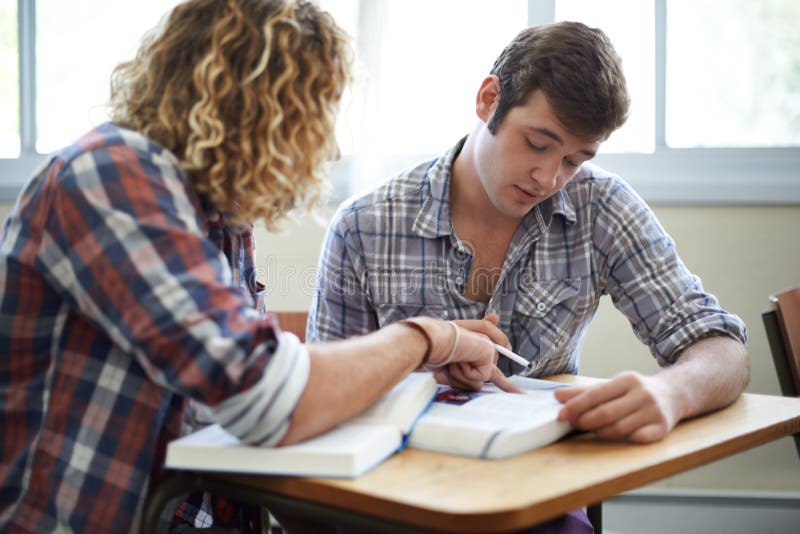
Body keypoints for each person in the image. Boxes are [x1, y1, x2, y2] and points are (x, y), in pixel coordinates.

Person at [0, 1, 519, 532]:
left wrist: (416, 368)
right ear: (255, 108)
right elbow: (272, 397)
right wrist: (429, 337)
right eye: (319, 116)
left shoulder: (217, 218)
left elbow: (248, 398)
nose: (333, 149)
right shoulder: (110, 178)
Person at [309, 20, 749, 532]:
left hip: (540, 506)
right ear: (488, 98)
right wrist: (418, 362)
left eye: (575, 159)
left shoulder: (600, 208)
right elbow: (320, 404)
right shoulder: (366, 225)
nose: (549, 178)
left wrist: (673, 394)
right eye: (537, 144)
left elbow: (721, 347)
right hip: (393, 503)